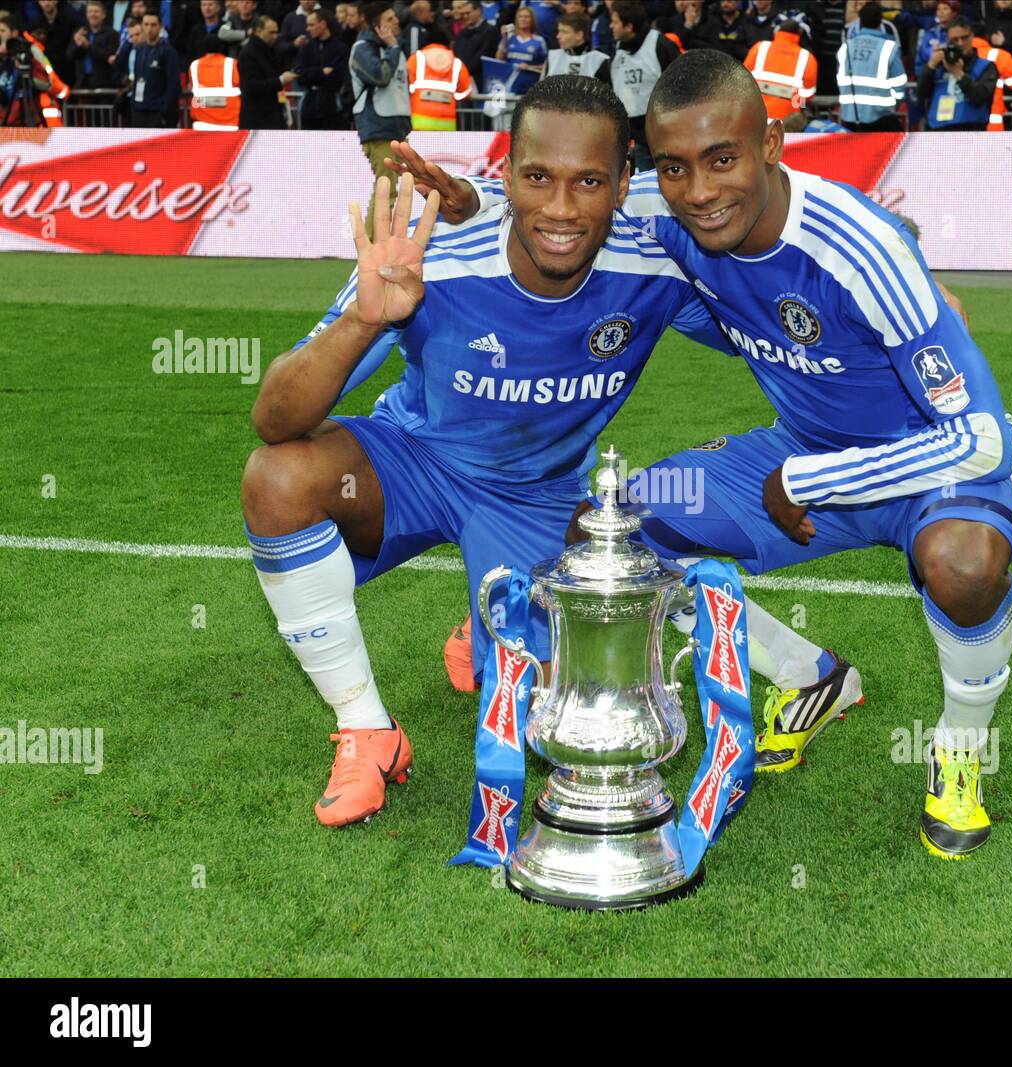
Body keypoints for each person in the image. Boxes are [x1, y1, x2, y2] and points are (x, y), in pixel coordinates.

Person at [415, 49, 1012, 859]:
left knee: (964, 563)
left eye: (723, 159)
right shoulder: (667, 211)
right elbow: (563, 197)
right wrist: (472, 204)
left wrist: (811, 477)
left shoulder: (859, 245)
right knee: (611, 525)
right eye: (675, 167)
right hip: (799, 451)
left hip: (933, 470)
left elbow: (975, 436)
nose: (700, 191)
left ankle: (959, 750)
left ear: (772, 143)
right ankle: (811, 673)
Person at [240, 77, 741, 828]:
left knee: (556, 714)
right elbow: (274, 415)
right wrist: (366, 321)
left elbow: (768, 309)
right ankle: (366, 726)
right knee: (279, 477)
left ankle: (490, 612)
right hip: (414, 462)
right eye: (537, 177)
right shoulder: (433, 249)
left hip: (538, 497)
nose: (561, 209)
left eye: (589, 182)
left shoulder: (656, 260)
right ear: (502, 176)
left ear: (623, 186)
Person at [351, 2, 411, 238]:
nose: (396, 22)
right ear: (377, 26)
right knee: (385, 188)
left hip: (394, 127)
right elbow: (380, 76)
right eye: (389, 19)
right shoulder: (362, 49)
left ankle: (379, 245)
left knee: (389, 189)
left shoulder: (392, 47)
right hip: (378, 127)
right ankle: (372, 250)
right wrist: (393, 48)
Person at [609, 1, 678, 172]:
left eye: (615, 22)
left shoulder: (660, 45)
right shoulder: (617, 48)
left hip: (664, 131)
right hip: (638, 133)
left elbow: (680, 85)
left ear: (629, 26)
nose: (611, 26)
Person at [917, 15, 997, 130]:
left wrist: (959, 74)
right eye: (954, 40)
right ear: (947, 41)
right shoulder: (940, 65)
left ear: (972, 36)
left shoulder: (985, 66)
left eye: (964, 38)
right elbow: (921, 93)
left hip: (971, 131)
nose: (960, 43)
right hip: (937, 132)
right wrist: (930, 66)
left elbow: (980, 96)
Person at [836, 1, 906, 132]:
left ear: (860, 21)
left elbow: (840, 79)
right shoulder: (889, 48)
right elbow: (900, 82)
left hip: (851, 117)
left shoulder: (845, 47)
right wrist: (893, 106)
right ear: (881, 22)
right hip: (882, 118)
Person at [743, 18, 817, 122]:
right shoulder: (807, 57)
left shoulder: (759, 48)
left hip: (755, 116)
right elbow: (807, 94)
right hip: (787, 121)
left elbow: (743, 78)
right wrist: (795, 106)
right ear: (799, 33)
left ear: (777, 31)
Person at [407, 21, 470, 130]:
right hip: (447, 123)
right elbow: (465, 93)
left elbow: (406, 85)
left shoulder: (416, 58)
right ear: (450, 44)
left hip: (419, 121)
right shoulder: (456, 63)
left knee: (417, 148)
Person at [295, 7, 349, 129]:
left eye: (311, 25)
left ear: (323, 24)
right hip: (309, 111)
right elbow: (299, 76)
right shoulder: (306, 48)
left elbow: (337, 79)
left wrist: (310, 75)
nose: (307, 29)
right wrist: (321, 72)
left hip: (333, 110)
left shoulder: (339, 48)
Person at [238, 13, 292, 128]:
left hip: (272, 117)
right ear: (258, 31)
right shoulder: (248, 54)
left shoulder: (270, 51)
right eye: (271, 32)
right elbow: (251, 87)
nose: (275, 36)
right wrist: (281, 80)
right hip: (257, 121)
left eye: (277, 32)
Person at [128, 9, 180, 127]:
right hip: (139, 111)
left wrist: (164, 110)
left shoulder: (168, 52)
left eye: (153, 25)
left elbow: (174, 85)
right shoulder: (139, 49)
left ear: (160, 27)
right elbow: (137, 79)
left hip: (158, 112)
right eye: (146, 24)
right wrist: (134, 106)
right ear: (142, 26)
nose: (149, 29)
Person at [189, 34, 241, 129]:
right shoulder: (232, 64)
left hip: (201, 124)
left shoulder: (194, 65)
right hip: (230, 124)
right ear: (221, 47)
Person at [542, 11, 610, 81]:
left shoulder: (599, 60)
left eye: (564, 32)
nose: (558, 36)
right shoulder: (552, 57)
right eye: (559, 31)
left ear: (579, 35)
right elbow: (540, 89)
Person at [68, 1, 119, 90]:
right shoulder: (81, 32)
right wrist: (77, 44)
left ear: (103, 15)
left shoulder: (112, 34)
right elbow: (69, 56)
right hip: (82, 82)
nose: (92, 14)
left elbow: (109, 57)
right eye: (90, 12)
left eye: (96, 11)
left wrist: (88, 46)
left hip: (104, 83)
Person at [450, 0, 496, 85]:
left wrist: (464, 71)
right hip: (460, 79)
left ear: (478, 11)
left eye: (468, 13)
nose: (465, 16)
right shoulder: (462, 33)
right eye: (463, 14)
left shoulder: (490, 31)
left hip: (479, 81)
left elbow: (483, 56)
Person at [497, 3, 547, 73]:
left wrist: (529, 67)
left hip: (531, 80)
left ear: (532, 20)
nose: (523, 19)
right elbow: (498, 59)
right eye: (520, 17)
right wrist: (504, 39)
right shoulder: (509, 37)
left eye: (527, 17)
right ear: (516, 20)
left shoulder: (539, 40)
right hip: (509, 80)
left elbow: (546, 65)